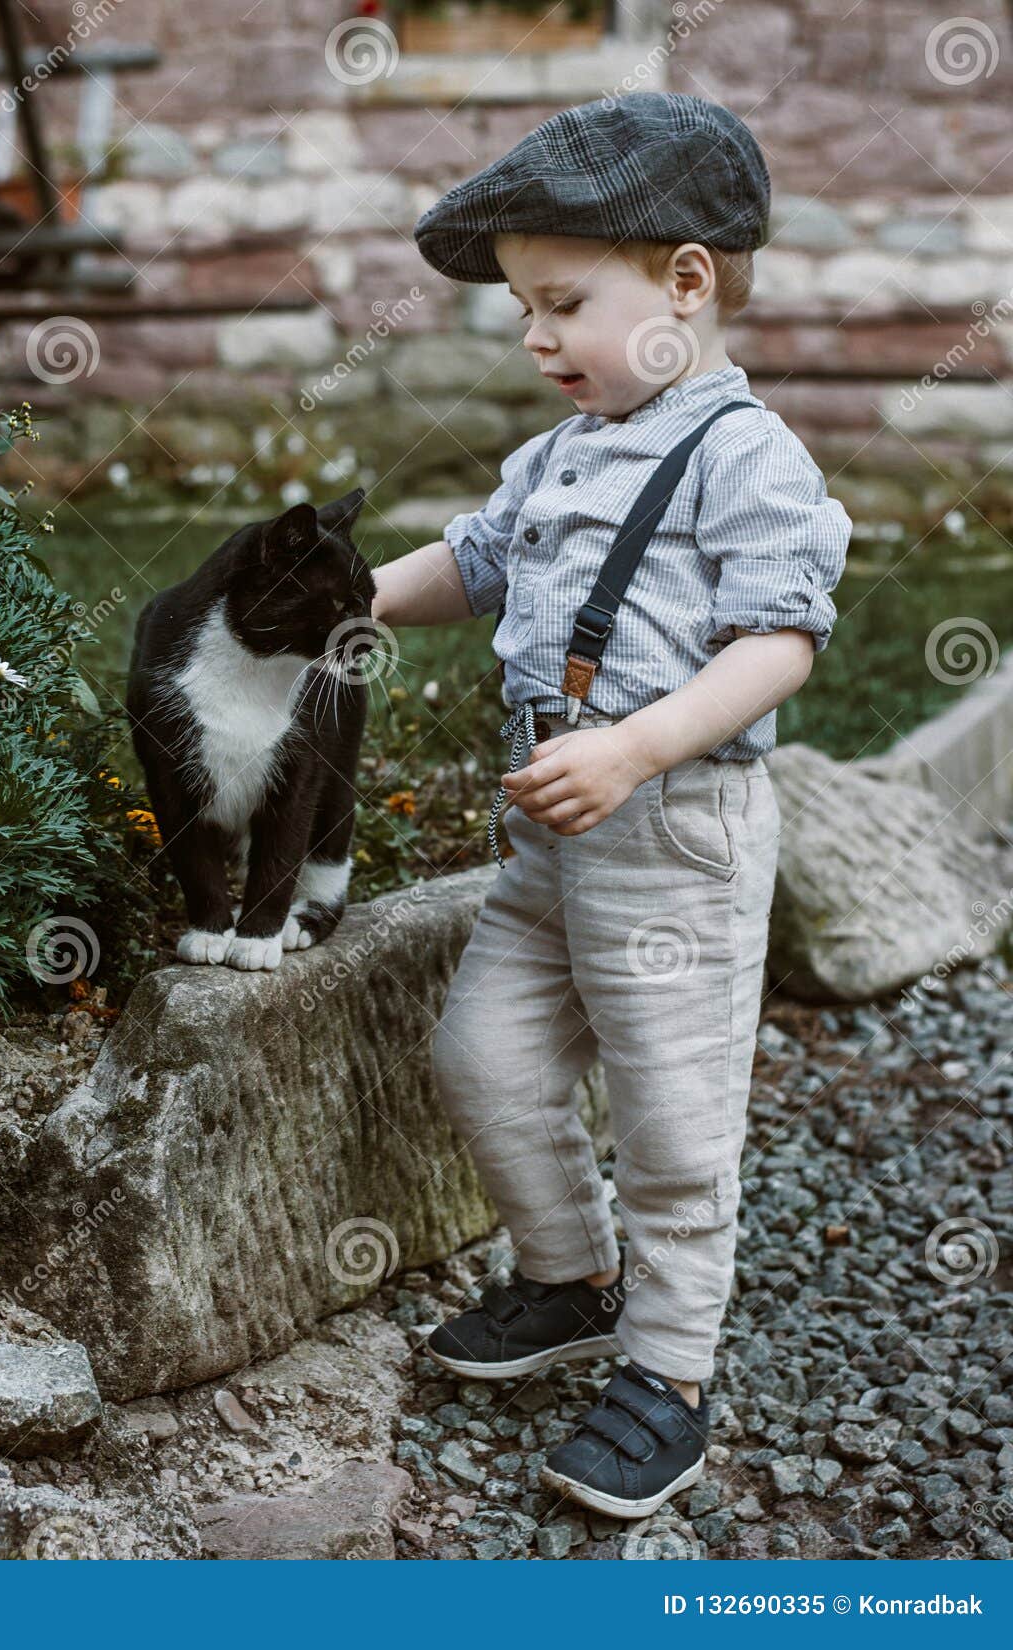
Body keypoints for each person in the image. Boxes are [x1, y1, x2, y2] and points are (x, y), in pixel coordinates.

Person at [369, 92, 851, 1520]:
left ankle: (668, 1375)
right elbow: (480, 554)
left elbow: (781, 641)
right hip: (549, 838)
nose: (534, 337)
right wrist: (357, 595)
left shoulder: (745, 454)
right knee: (485, 1055)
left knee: (672, 1115)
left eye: (561, 302)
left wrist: (638, 747)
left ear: (685, 283)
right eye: (525, 306)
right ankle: (568, 1278)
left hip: (676, 829)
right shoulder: (571, 448)